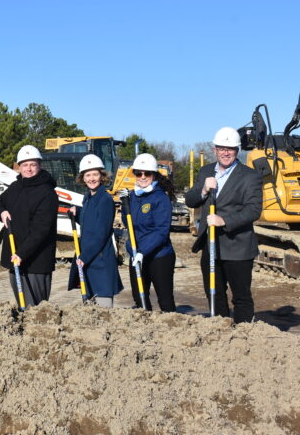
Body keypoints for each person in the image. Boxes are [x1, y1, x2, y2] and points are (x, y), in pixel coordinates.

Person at [185, 127, 262, 323]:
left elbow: (253, 210)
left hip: (237, 247)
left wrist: (224, 221)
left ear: (237, 150)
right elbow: (190, 200)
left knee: (241, 297)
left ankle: (244, 336)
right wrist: (203, 190)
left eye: (230, 149)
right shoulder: (205, 171)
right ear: (215, 149)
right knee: (214, 293)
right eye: (221, 148)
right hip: (211, 246)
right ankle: (220, 333)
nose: (226, 152)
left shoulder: (249, 176)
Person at [0, 145, 59, 306]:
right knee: (22, 305)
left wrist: (21, 253)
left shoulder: (47, 192)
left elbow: (41, 229)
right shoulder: (17, 186)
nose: (28, 169)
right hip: (16, 257)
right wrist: (2, 212)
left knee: (36, 307)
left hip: (36, 261)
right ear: (19, 167)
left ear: (39, 165)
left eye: (32, 164)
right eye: (25, 165)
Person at [120, 153, 176, 312]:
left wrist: (142, 252)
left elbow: (161, 232)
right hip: (137, 256)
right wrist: (125, 206)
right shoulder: (132, 196)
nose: (143, 177)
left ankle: (171, 333)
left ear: (154, 175)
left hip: (159, 256)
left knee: (165, 300)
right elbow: (129, 224)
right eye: (139, 173)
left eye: (147, 173)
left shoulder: (160, 198)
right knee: (140, 300)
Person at [68, 154, 123, 307]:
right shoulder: (88, 198)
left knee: (103, 307)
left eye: (95, 174)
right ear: (83, 178)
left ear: (102, 176)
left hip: (100, 261)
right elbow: (90, 223)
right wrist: (78, 212)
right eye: (88, 175)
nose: (91, 178)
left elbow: (100, 234)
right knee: (89, 309)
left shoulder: (105, 200)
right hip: (88, 261)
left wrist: (84, 256)